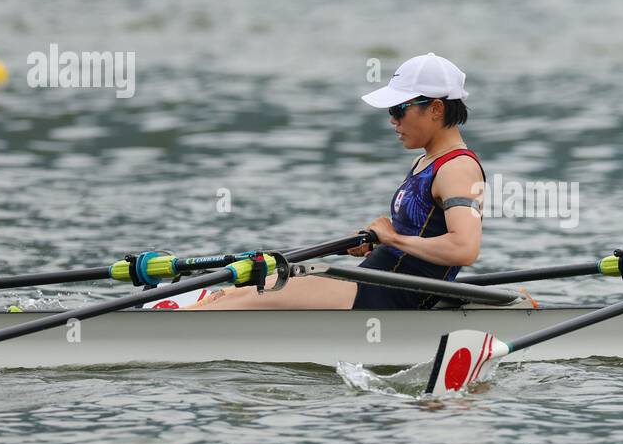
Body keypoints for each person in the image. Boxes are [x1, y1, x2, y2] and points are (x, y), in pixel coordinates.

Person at [193, 53, 485, 310]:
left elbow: (464, 248)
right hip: (373, 280)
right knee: (232, 292)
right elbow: (423, 232)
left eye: (398, 110)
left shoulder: (458, 168)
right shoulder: (425, 162)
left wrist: (393, 238)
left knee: (248, 297)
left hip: (387, 296)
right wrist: (375, 241)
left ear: (436, 109)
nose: (392, 121)